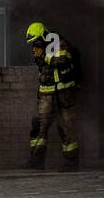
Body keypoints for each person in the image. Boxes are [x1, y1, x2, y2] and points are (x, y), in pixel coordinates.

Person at [24, 21, 79, 172]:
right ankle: (36, 161)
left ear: (42, 36)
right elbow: (41, 65)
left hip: (64, 93)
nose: (34, 45)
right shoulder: (39, 46)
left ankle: (71, 163)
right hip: (46, 94)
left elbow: (62, 60)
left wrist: (46, 57)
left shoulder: (59, 42)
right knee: (38, 126)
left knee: (66, 127)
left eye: (36, 41)